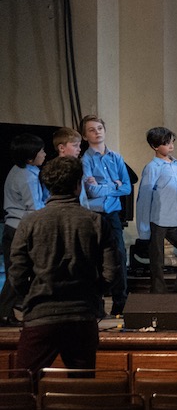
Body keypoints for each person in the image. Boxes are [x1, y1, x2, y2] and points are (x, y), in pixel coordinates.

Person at [8, 156, 120, 374]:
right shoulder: (96, 222)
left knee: (21, 385)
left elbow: (17, 273)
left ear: (47, 186)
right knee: (81, 390)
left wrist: (33, 295)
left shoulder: (30, 222)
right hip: (82, 315)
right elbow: (111, 272)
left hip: (41, 314)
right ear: (78, 185)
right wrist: (93, 294)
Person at [80, 114, 132, 317]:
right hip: (95, 213)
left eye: (99, 128)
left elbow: (127, 187)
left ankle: (121, 302)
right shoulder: (85, 160)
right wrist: (114, 185)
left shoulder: (116, 157)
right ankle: (97, 303)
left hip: (112, 212)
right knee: (94, 258)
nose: (97, 132)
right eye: (92, 130)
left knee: (119, 254)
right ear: (85, 136)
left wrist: (103, 186)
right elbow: (91, 192)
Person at [136, 126, 177, 294]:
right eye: (166, 143)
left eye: (171, 142)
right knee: (157, 260)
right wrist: (144, 228)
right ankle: (158, 293)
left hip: (176, 219)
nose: (171, 146)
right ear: (156, 146)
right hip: (158, 219)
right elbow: (144, 198)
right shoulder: (152, 168)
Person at [0, 134, 48, 325]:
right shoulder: (26, 177)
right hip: (20, 229)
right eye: (41, 151)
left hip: (15, 227)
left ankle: (8, 311)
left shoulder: (25, 171)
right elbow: (34, 208)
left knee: (17, 272)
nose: (44, 154)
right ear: (30, 157)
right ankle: (6, 311)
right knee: (17, 273)